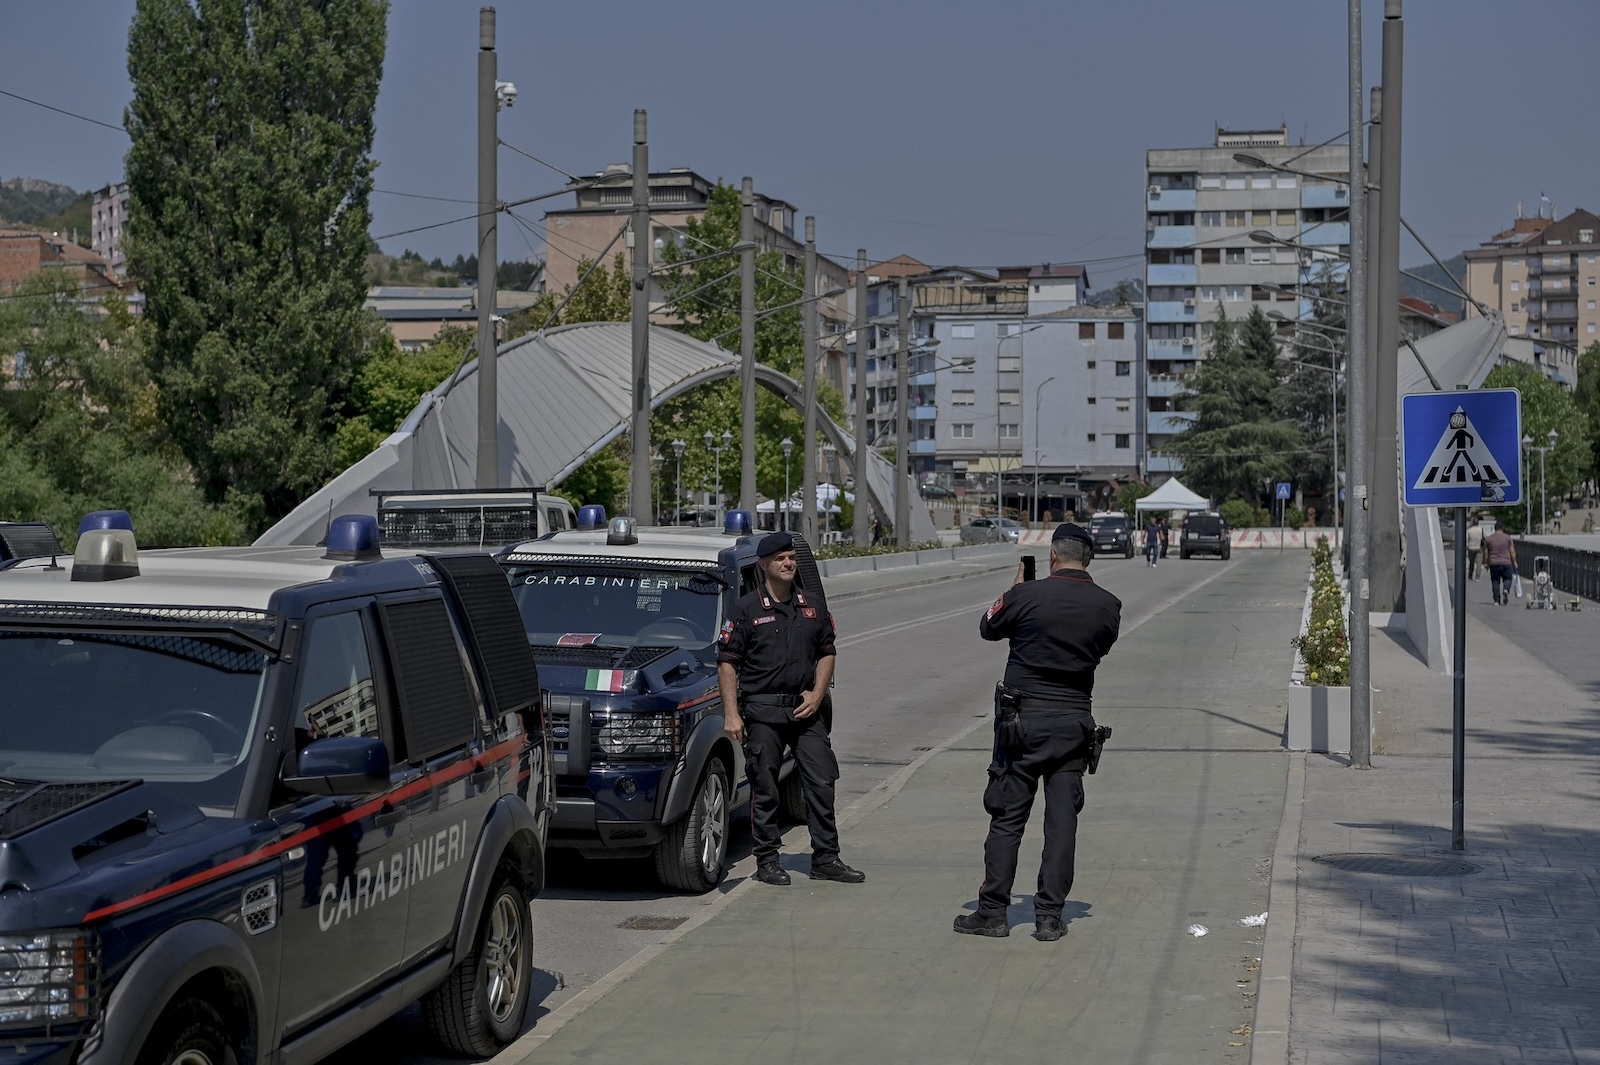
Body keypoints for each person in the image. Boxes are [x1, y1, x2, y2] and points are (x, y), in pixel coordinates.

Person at [955, 522, 1121, 942]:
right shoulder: (1108, 605)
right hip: (1073, 723)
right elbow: (1099, 648)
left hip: (1021, 725)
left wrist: (1013, 591)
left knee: (1008, 817)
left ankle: (993, 912)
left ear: (1051, 556)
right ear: (1088, 558)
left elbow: (987, 627)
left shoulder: (1025, 596)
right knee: (1062, 823)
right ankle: (1049, 917)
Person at [718, 532, 865, 886]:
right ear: (764, 565)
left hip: (804, 709)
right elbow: (727, 663)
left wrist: (817, 693)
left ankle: (826, 858)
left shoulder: (812, 605)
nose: (788, 563)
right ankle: (767, 861)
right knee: (765, 787)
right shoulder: (746, 609)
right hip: (763, 711)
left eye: (791, 558)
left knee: (821, 782)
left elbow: (827, 651)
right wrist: (732, 714)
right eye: (780, 558)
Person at [1483, 522, 1517, 605]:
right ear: (1502, 528)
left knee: (1495, 581)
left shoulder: (1489, 539)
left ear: (1495, 528)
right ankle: (1506, 589)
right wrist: (1514, 562)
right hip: (1506, 562)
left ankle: (1496, 600)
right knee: (1508, 579)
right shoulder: (1508, 538)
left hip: (1494, 563)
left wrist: (1486, 563)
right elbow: (1512, 551)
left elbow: (1486, 553)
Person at [1465, 516, 1485, 581]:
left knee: (1471, 562)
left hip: (1471, 548)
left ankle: (1470, 575)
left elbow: (1466, 540)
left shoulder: (1469, 530)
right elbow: (1485, 537)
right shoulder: (1481, 530)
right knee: (1479, 564)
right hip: (1479, 548)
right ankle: (1477, 577)